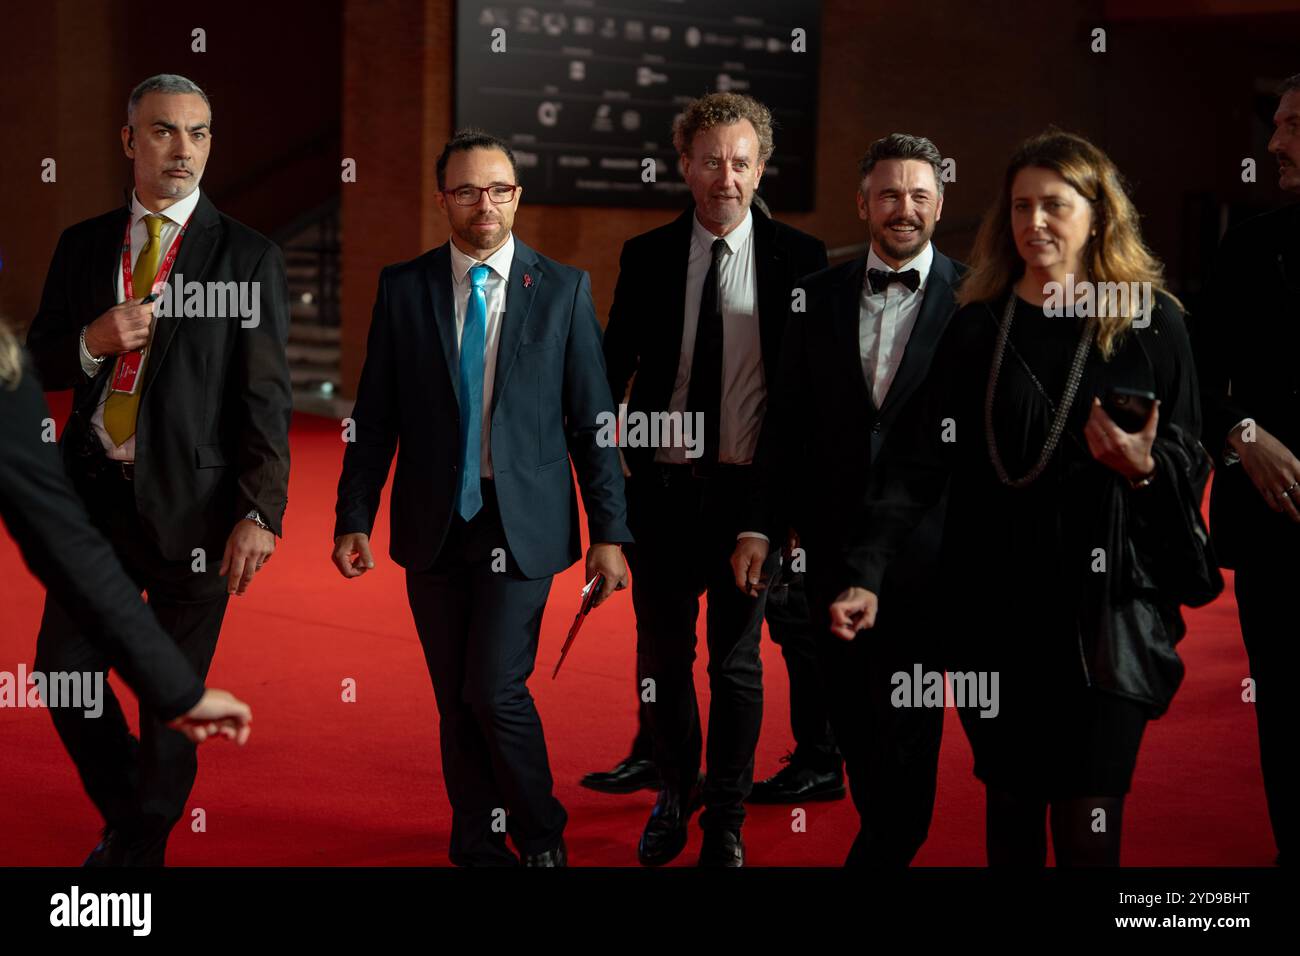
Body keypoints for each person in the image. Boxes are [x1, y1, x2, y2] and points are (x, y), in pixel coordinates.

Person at [831, 130, 1219, 866]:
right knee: (1009, 810)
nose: (1034, 223)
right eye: (1019, 207)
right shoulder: (978, 324)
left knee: (1087, 820)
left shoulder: (1151, 321)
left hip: (1104, 619)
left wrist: (1141, 468)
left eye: (1054, 205)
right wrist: (866, 571)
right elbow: (917, 463)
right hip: (996, 614)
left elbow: (1189, 457)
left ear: (1098, 214)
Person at [332, 129, 631, 868]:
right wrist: (353, 516)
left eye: (498, 188)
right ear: (443, 200)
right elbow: (375, 418)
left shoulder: (561, 289)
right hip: (434, 523)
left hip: (522, 522)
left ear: (517, 196)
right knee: (455, 699)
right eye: (467, 189)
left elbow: (592, 422)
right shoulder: (405, 288)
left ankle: (540, 832)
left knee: (494, 688)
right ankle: (475, 836)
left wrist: (610, 532)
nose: (484, 203)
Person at [24, 74, 292, 866]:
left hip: (198, 512)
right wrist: (90, 341)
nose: (184, 149)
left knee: (171, 701)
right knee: (65, 674)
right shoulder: (82, 243)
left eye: (200, 132)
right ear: (129, 140)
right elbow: (36, 357)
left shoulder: (248, 255)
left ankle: (138, 849)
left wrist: (262, 510)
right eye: (167, 131)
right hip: (91, 502)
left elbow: (268, 397)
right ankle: (132, 806)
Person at [603, 92, 827, 866]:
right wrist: (613, 483)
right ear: (684, 166)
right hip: (660, 494)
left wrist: (790, 509)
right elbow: (610, 373)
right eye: (709, 160)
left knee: (735, 663)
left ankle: (725, 817)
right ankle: (674, 791)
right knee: (662, 660)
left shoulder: (801, 259)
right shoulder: (647, 256)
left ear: (761, 167)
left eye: (740, 161)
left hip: (748, 501)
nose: (724, 177)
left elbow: (812, 400)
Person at [733, 133, 964, 860]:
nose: (904, 209)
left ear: (939, 204)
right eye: (890, 194)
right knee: (854, 715)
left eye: (919, 195)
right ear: (862, 202)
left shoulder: (977, 298)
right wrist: (761, 527)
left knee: (911, 716)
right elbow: (785, 423)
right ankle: (881, 829)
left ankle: (886, 849)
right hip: (828, 550)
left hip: (932, 555)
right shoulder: (816, 297)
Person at [0, 327, 252, 760]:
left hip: (187, 510)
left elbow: (65, 545)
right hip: (95, 485)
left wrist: (177, 692)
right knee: (64, 669)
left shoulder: (6, 376)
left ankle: (142, 819)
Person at [1194, 71, 1300, 867]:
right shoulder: (1248, 245)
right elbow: (1197, 376)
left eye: (1293, 125)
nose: (1274, 143)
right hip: (1274, 535)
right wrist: (1244, 433)